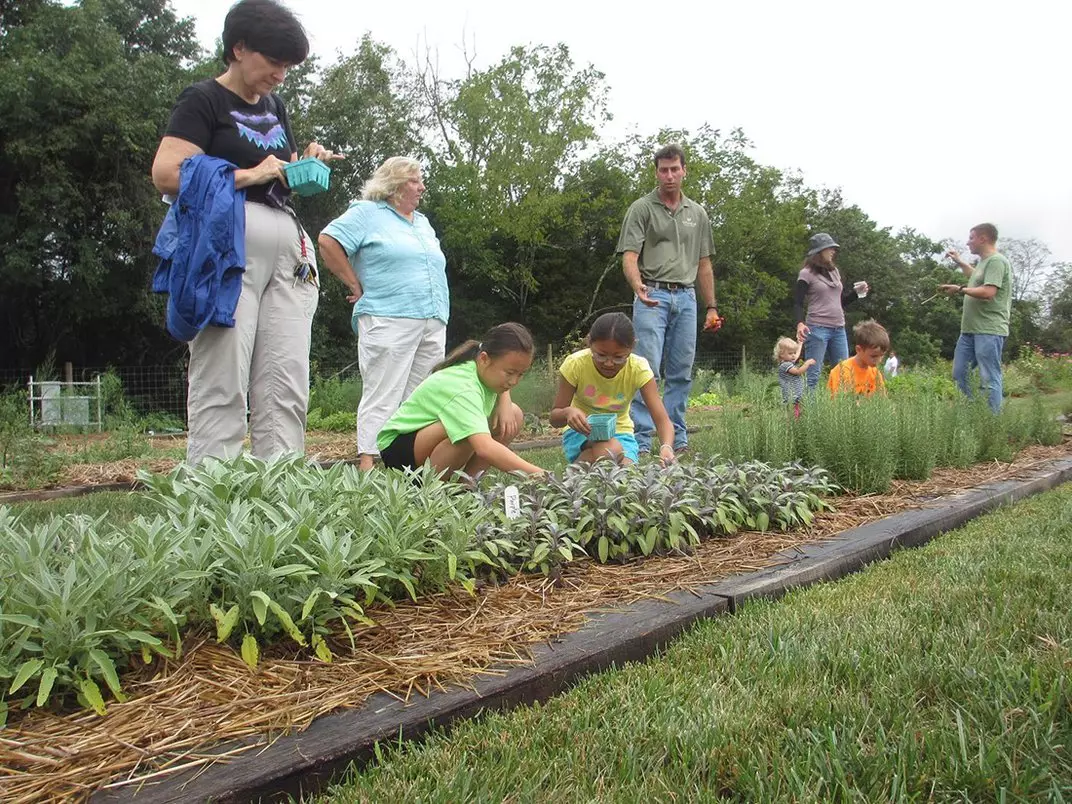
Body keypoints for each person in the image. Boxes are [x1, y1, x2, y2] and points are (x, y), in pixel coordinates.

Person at [150, 0, 342, 466]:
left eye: (288, 66)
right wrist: (251, 173)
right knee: (223, 379)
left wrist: (302, 164)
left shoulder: (276, 106)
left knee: (285, 382)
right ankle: (211, 501)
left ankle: (282, 497)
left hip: (287, 253)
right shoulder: (203, 100)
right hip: (225, 252)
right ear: (238, 48)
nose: (280, 74)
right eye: (273, 61)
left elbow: (278, 174)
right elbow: (167, 173)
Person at [318, 157, 449, 470]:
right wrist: (354, 282)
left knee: (423, 395)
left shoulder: (423, 222)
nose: (422, 187)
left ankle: (408, 462)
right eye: (415, 180)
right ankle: (369, 462)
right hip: (388, 315)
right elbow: (327, 240)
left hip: (431, 319)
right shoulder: (367, 213)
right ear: (394, 185)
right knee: (384, 390)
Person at [617, 143, 721, 456]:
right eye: (664, 170)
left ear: (684, 170)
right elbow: (629, 255)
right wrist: (638, 286)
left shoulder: (697, 213)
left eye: (675, 169)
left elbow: (704, 263)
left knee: (681, 371)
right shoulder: (641, 208)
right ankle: (644, 438)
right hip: (653, 294)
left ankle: (676, 437)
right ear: (656, 172)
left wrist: (711, 306)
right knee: (646, 369)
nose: (670, 175)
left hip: (687, 297)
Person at [376, 323, 544, 478]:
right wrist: (541, 475)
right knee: (467, 431)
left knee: (514, 414)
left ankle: (467, 485)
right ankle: (432, 489)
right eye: (509, 373)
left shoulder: (482, 370)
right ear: (484, 359)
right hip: (399, 449)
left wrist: (504, 399)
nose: (514, 381)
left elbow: (504, 397)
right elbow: (485, 448)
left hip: (420, 441)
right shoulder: (464, 387)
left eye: (520, 374)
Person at [550, 312, 676, 467]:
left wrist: (666, 447)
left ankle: (578, 469)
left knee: (627, 472)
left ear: (631, 348)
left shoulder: (638, 369)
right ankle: (575, 477)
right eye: (601, 355)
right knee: (611, 450)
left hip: (621, 433)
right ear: (589, 343)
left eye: (618, 357)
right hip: (582, 433)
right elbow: (554, 418)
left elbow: (662, 420)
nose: (609, 363)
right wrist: (568, 412)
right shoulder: (576, 365)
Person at [940, 223, 1013, 413]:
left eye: (971, 237)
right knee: (959, 373)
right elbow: (976, 277)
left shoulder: (997, 261)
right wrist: (960, 262)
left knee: (989, 377)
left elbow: (988, 291)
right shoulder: (983, 263)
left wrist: (960, 289)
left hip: (989, 329)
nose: (967, 242)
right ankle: (974, 415)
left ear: (983, 238)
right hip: (969, 331)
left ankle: (990, 423)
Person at [794, 233, 869, 390]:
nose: (833, 251)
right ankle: (809, 413)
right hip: (817, 329)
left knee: (844, 374)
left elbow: (839, 302)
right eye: (830, 248)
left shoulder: (834, 272)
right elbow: (798, 302)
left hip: (838, 329)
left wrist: (857, 294)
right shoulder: (806, 273)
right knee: (813, 376)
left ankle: (841, 413)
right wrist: (800, 323)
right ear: (819, 251)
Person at [827, 320, 889, 397]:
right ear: (858, 350)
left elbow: (882, 400)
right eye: (874, 356)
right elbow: (838, 402)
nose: (879, 360)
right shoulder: (842, 371)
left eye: (882, 355)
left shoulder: (875, 373)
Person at [774, 336, 816, 416]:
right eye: (790, 353)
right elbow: (798, 372)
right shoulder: (785, 365)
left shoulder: (789, 362)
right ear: (781, 355)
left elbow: (796, 355)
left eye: (794, 352)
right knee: (793, 415)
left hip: (796, 396)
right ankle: (791, 426)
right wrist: (807, 363)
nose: (793, 355)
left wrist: (800, 344)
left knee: (798, 413)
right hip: (791, 397)